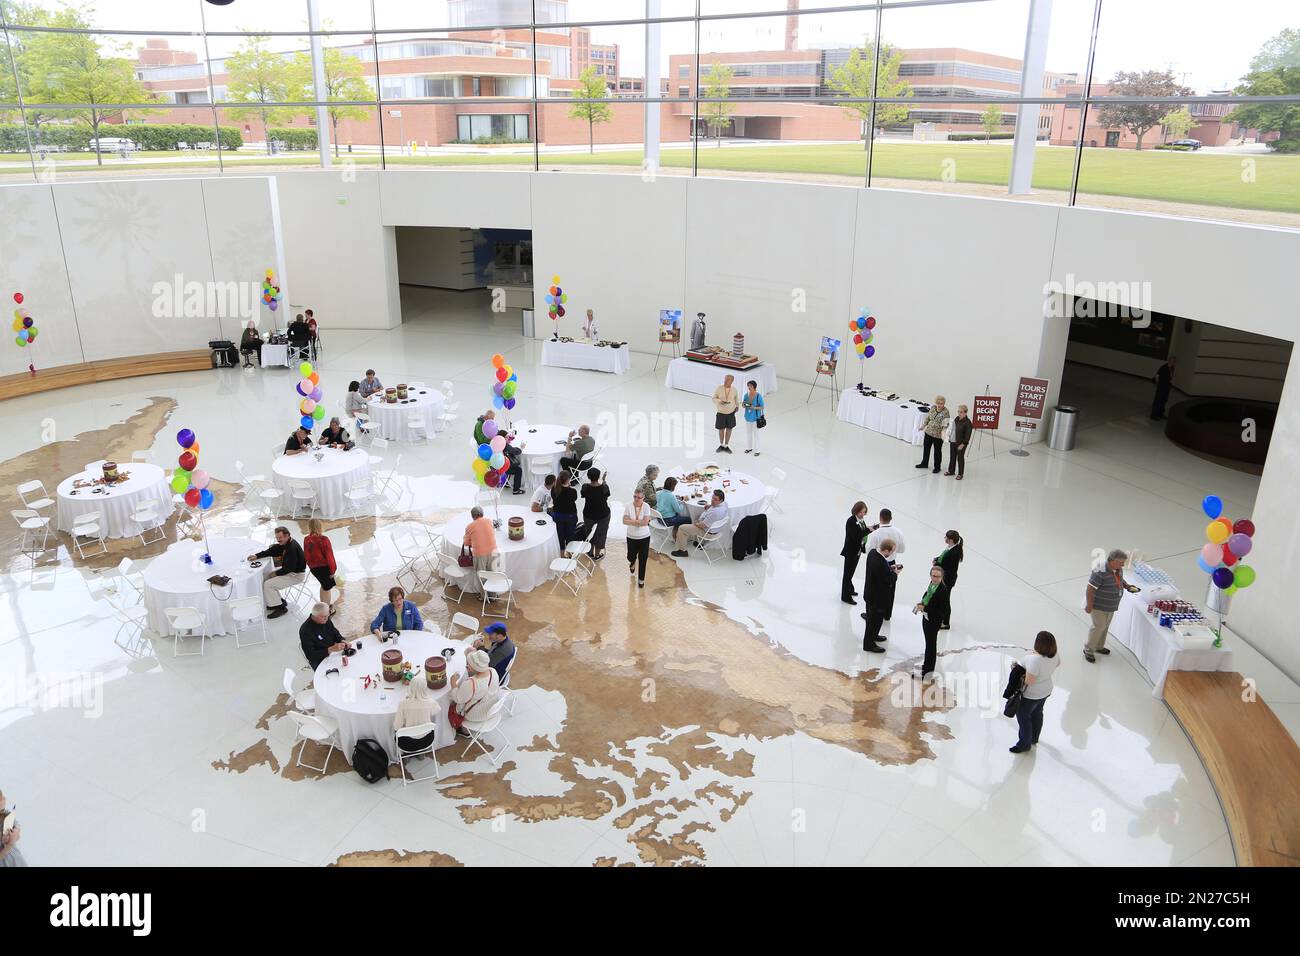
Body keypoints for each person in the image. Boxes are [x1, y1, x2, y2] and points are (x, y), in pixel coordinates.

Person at [1084, 549, 1137, 663]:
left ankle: (1099, 646)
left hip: (1110, 606)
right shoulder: (1100, 570)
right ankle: (1088, 650)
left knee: (1105, 627)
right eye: (1121, 562)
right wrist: (1089, 605)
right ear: (1112, 560)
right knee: (1098, 627)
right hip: (1098, 606)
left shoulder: (1118, 569)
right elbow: (1090, 589)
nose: (1123, 565)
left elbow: (1120, 580)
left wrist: (1127, 586)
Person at [1011, 631, 1059, 753]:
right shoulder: (1055, 656)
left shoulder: (1033, 660)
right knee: (1037, 713)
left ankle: (1024, 744)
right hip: (1046, 690)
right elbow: (1056, 665)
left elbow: (1029, 681)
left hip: (1031, 695)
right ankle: (1034, 738)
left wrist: (1017, 669)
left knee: (1023, 717)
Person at [249, 526, 307, 618]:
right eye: (277, 538)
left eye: (280, 538)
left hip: (296, 575)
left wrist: (275, 573)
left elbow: (289, 568)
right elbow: (273, 550)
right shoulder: (286, 543)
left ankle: (280, 608)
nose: (278, 540)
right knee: (264, 578)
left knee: (268, 584)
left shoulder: (292, 548)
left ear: (287, 535)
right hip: (290, 571)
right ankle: (278, 601)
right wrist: (257, 556)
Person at [862, 509, 905, 623]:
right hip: (892, 562)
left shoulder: (876, 533)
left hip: (877, 562)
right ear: (891, 518)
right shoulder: (898, 532)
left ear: (880, 518)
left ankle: (871, 612)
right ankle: (887, 614)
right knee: (890, 589)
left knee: (874, 587)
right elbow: (902, 549)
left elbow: (868, 550)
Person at [448, 648, 501, 736]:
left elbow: (458, 698)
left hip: (476, 715)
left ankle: (463, 730)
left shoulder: (471, 683)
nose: (467, 665)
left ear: (474, 667)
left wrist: (453, 682)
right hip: (491, 709)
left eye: (468, 664)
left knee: (449, 705)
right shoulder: (493, 671)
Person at [913, 565, 950, 680]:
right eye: (933, 576)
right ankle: (926, 667)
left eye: (938, 577)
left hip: (933, 622)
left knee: (931, 647)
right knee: (929, 646)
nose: (935, 578)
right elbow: (928, 596)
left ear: (942, 577)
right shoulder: (932, 584)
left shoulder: (943, 591)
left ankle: (927, 673)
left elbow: (943, 611)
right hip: (927, 618)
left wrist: (925, 608)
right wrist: (922, 604)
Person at [861, 540, 897, 653]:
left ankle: (874, 636)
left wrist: (889, 569)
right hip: (877, 598)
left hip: (870, 593)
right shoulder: (880, 563)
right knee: (874, 621)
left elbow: (880, 574)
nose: (891, 554)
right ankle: (869, 644)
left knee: (874, 621)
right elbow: (886, 581)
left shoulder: (873, 553)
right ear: (886, 550)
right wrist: (895, 574)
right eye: (891, 551)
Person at [671, 489, 728, 557]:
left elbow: (702, 526)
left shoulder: (715, 513)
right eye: (712, 498)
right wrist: (710, 506)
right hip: (717, 530)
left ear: (720, 500)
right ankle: (698, 542)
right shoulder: (724, 504)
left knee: (682, 528)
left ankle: (681, 551)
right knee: (697, 518)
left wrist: (695, 522)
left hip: (708, 533)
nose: (712, 500)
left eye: (715, 499)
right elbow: (714, 508)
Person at [394, 678, 439, 753]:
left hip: (407, 743)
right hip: (427, 740)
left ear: (410, 687)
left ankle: (406, 756)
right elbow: (436, 710)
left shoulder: (403, 704)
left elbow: (396, 726)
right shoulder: (431, 702)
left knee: (397, 732)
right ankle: (421, 754)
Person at [303, 518, 339, 610]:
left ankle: (323, 605)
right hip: (324, 568)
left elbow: (306, 554)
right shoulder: (323, 539)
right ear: (320, 526)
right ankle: (326, 609)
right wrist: (332, 570)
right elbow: (329, 556)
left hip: (314, 568)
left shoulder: (306, 539)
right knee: (327, 588)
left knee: (323, 585)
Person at [299, 602, 347, 670]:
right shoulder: (305, 631)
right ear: (315, 616)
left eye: (328, 615)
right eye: (324, 617)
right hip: (318, 660)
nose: (327, 619)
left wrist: (342, 640)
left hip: (331, 653)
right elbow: (310, 656)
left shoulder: (325, 619)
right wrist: (330, 649)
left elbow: (334, 632)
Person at [840, 501, 870, 605]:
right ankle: (845, 596)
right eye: (861, 512)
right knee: (847, 574)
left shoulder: (861, 521)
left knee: (851, 572)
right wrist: (869, 530)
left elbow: (862, 533)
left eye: (864, 512)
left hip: (857, 551)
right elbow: (856, 536)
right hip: (851, 552)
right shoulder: (851, 521)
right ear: (856, 511)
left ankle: (850, 589)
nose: (862, 514)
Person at [933, 530, 963, 630]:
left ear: (950, 540)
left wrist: (937, 564)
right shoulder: (950, 548)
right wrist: (937, 559)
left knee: (945, 600)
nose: (944, 539)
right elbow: (943, 558)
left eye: (946, 537)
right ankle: (942, 619)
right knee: (943, 599)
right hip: (945, 577)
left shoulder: (954, 553)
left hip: (947, 579)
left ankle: (945, 622)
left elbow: (947, 566)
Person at [579, 467, 611, 559]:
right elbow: (606, 496)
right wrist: (604, 481)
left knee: (589, 533)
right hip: (603, 514)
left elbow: (583, 494)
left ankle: (590, 552)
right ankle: (597, 555)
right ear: (599, 476)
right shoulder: (604, 488)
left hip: (589, 514)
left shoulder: (585, 487)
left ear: (588, 477)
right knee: (601, 534)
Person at [462, 506, 501, 579]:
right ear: (482, 514)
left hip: (480, 554)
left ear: (472, 516)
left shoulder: (469, 526)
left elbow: (466, 543)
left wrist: (472, 539)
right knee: (494, 574)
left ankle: (485, 590)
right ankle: (495, 589)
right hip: (494, 551)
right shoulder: (489, 521)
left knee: (482, 577)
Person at [624, 488, 653, 587]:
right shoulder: (628, 505)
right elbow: (624, 521)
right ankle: (632, 562)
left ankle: (641, 580)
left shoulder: (646, 506)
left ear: (643, 498)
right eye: (635, 497)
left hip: (644, 537)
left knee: (643, 559)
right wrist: (636, 522)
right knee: (630, 556)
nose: (636, 499)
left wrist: (631, 521)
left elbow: (646, 522)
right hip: (631, 537)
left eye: (639, 497)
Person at [915, 395, 950, 474]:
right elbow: (928, 418)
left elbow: (946, 425)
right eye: (938, 403)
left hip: (938, 435)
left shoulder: (946, 412)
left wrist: (944, 435)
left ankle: (937, 467)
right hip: (928, 432)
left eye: (942, 403)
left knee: (937, 452)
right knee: (926, 449)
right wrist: (923, 426)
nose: (940, 405)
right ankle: (924, 463)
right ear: (936, 403)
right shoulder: (933, 408)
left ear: (944, 404)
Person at [551, 471, 579, 549]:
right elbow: (574, 499)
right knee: (570, 537)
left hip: (557, 515)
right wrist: (568, 487)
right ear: (568, 480)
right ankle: (569, 554)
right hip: (570, 516)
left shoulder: (554, 489)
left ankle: (562, 554)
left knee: (560, 536)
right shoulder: (572, 491)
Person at [712, 374, 739, 453]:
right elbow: (714, 398)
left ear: (731, 381)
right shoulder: (719, 388)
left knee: (729, 429)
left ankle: (726, 445)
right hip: (721, 412)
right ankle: (721, 445)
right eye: (725, 379)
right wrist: (720, 401)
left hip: (731, 412)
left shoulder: (734, 390)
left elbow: (736, 399)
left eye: (727, 380)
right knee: (721, 429)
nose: (725, 381)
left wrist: (737, 406)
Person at [945, 404, 972, 480]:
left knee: (960, 458)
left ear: (965, 413)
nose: (959, 413)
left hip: (961, 444)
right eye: (958, 411)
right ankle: (951, 471)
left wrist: (963, 444)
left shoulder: (968, 423)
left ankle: (960, 474)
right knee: (952, 457)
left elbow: (968, 436)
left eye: (961, 412)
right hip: (953, 441)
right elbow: (953, 428)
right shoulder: (957, 418)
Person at [0, 788, 25, 867]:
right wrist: (9, 845)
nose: (5, 798)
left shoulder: (5, 814)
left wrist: (15, 833)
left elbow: (17, 832)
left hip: (16, 859)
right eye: (1, 798)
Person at [741, 380, 765, 456]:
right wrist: (748, 405)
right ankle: (749, 448)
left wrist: (754, 407)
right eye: (748, 386)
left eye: (750, 386)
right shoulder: (746, 395)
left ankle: (757, 450)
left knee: (756, 434)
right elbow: (743, 404)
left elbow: (762, 406)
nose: (749, 387)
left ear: (754, 386)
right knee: (748, 433)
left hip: (756, 418)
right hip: (747, 417)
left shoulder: (758, 396)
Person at [1151, 355, 1175, 420]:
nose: (1172, 362)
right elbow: (1157, 376)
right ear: (1169, 360)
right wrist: (1158, 384)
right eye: (1171, 360)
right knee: (1158, 400)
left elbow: (1171, 376)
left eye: (1174, 361)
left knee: (1164, 401)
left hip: (1167, 387)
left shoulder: (1172, 368)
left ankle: (1160, 414)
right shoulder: (1163, 367)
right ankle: (1153, 415)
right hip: (1161, 386)